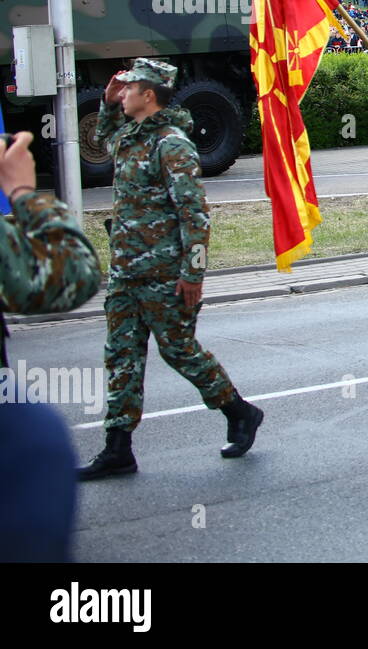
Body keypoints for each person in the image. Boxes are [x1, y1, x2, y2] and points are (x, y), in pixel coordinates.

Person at [79, 58, 264, 481]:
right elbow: (106, 141)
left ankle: (239, 412)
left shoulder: (172, 144)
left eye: (128, 89)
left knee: (178, 350)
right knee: (121, 355)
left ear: (148, 95)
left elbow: (195, 215)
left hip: (165, 273)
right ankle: (117, 448)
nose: (122, 93)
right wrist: (107, 103)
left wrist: (193, 274)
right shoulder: (131, 135)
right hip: (126, 271)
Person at [0, 131, 102, 561]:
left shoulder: (171, 142)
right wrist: (23, 190)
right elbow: (73, 274)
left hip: (154, 276)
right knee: (35, 440)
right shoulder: (24, 439)